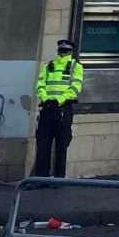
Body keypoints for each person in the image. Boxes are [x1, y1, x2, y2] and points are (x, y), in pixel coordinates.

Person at [33, 38, 84, 177]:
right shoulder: (49, 65)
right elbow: (40, 84)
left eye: (66, 51)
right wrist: (45, 98)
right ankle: (41, 178)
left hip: (63, 109)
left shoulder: (76, 66)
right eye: (61, 50)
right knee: (43, 144)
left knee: (61, 145)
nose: (63, 53)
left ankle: (58, 178)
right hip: (48, 108)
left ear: (70, 52)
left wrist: (60, 100)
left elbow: (75, 88)